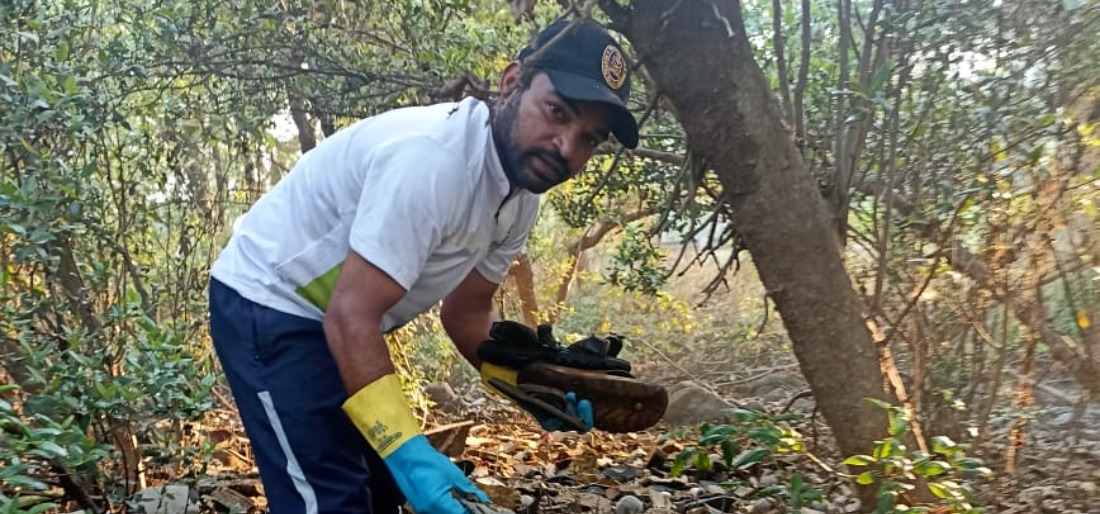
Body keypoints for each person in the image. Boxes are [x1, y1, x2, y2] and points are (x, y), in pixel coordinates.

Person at [206, 18, 639, 514]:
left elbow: (467, 315)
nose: (565, 146)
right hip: (268, 304)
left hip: (339, 318)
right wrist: (409, 452)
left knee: (379, 493)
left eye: (588, 138)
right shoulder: (432, 162)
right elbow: (350, 318)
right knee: (329, 499)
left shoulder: (520, 194)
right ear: (512, 81)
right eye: (556, 112)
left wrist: (534, 385)